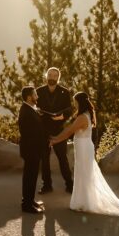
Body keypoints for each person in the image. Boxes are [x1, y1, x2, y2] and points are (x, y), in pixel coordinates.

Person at [36, 67, 75, 195]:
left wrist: (62, 116)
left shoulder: (65, 91)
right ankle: (47, 185)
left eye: (54, 75)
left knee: (62, 158)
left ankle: (70, 184)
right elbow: (34, 107)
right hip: (43, 130)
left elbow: (69, 109)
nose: (52, 77)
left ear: (58, 78)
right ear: (46, 76)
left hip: (59, 130)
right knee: (44, 159)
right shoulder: (38, 91)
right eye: (50, 75)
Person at [17, 86, 49, 214]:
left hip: (32, 149)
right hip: (31, 150)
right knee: (29, 177)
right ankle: (27, 205)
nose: (37, 97)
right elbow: (32, 133)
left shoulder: (29, 109)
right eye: (35, 94)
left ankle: (30, 200)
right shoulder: (26, 111)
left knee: (32, 176)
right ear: (29, 97)